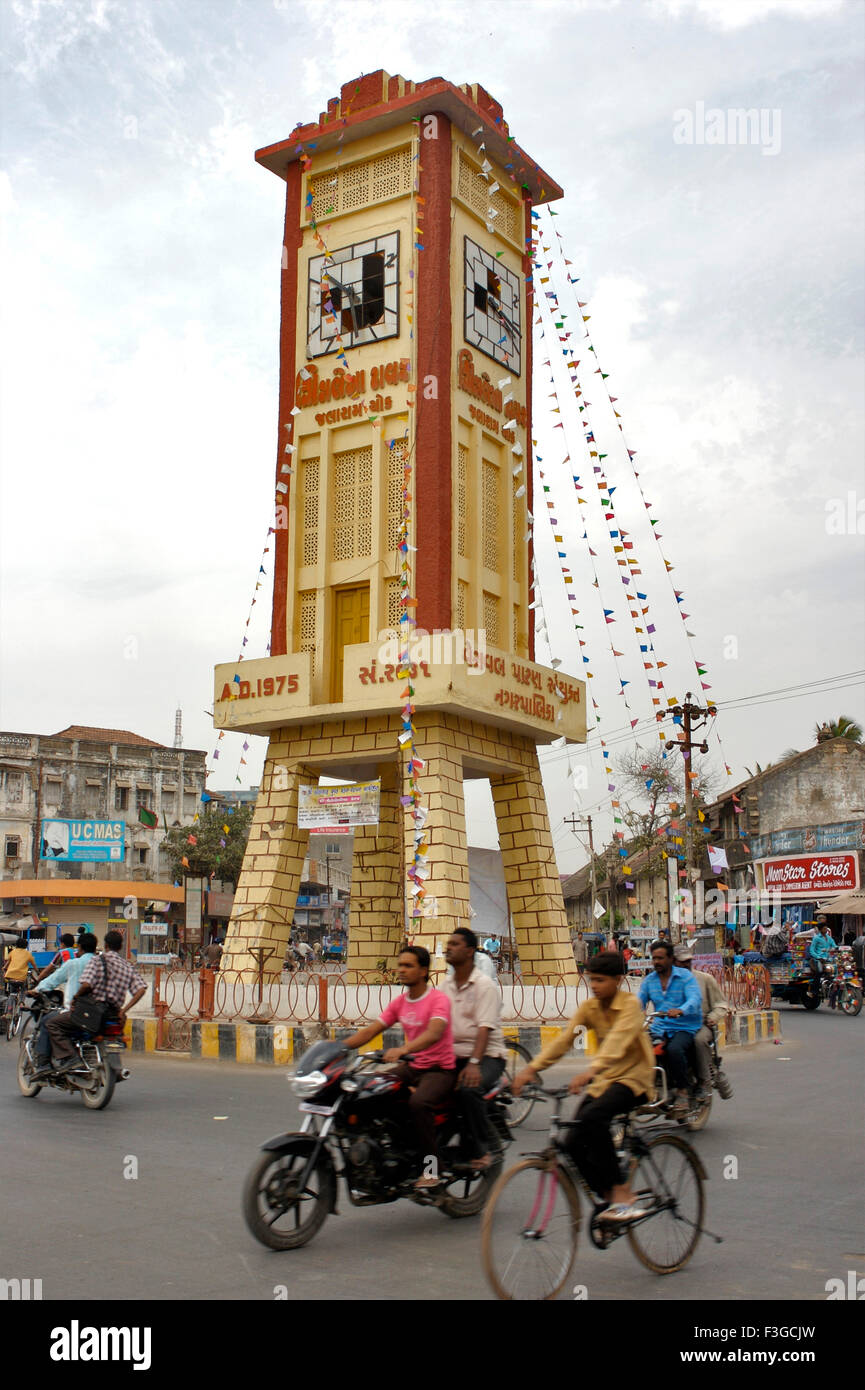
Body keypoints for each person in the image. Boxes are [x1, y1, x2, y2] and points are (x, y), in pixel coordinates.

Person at [512, 951, 655, 1223]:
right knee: (571, 1142)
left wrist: (590, 1071)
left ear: (618, 979)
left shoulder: (629, 1007)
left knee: (593, 1118)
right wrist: (531, 1069)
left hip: (634, 1079)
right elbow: (566, 1040)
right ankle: (607, 1201)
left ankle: (622, 1193)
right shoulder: (590, 1009)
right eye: (592, 980)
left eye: (601, 980)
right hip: (605, 1081)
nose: (596, 986)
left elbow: (617, 1044)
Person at [342, 946, 455, 1190]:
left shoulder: (438, 1000)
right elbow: (372, 1030)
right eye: (400, 965)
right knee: (371, 1088)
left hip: (439, 1069)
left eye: (408, 966)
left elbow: (435, 1032)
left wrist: (404, 1050)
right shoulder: (401, 1002)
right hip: (412, 1066)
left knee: (419, 1104)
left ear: (423, 971)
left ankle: (431, 1170)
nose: (401, 970)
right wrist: (338, 1047)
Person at [442, 928, 507, 1171]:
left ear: (469, 951)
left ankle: (480, 1151)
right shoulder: (445, 987)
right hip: (455, 1054)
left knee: (469, 1089)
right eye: (448, 943)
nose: (449, 948)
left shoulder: (484, 986)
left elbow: (484, 1028)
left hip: (487, 1056)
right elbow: (437, 1026)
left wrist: (473, 1064)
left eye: (455, 944)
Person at [45, 930, 146, 1074]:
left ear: (105, 945)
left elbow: (86, 985)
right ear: (120, 946)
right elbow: (141, 989)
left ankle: (71, 1058)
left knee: (52, 1023)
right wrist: (124, 1010)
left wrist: (75, 998)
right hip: (113, 1014)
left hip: (93, 1013)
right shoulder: (127, 966)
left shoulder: (97, 960)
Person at [638, 940, 703, 1117]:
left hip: (684, 1026)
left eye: (660, 958)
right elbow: (638, 1002)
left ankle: (682, 1091)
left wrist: (681, 1010)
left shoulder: (685, 977)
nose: (656, 962)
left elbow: (695, 999)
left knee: (674, 1050)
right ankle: (649, 1090)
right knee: (640, 1049)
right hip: (660, 1026)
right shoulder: (649, 980)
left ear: (670, 959)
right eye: (654, 958)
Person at [29, 933, 98, 1071]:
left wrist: (36, 988)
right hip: (98, 1013)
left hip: (74, 1007)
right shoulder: (102, 963)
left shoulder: (72, 961)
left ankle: (45, 1064)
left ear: (80, 947)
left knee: (48, 1022)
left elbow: (52, 978)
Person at [673, 944, 729, 1098]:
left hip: (701, 1024)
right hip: (675, 1026)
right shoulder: (667, 980)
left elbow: (721, 1005)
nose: (685, 964)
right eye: (681, 961)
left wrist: (712, 1018)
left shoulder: (704, 979)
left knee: (698, 1040)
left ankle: (704, 1081)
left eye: (688, 961)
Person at [808, 919, 836, 994]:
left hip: (829, 959)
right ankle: (814, 990)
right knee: (819, 971)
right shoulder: (816, 938)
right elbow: (812, 950)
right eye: (824, 928)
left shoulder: (829, 938)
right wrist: (818, 957)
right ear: (820, 930)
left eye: (826, 928)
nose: (826, 930)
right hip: (819, 960)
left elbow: (835, 946)